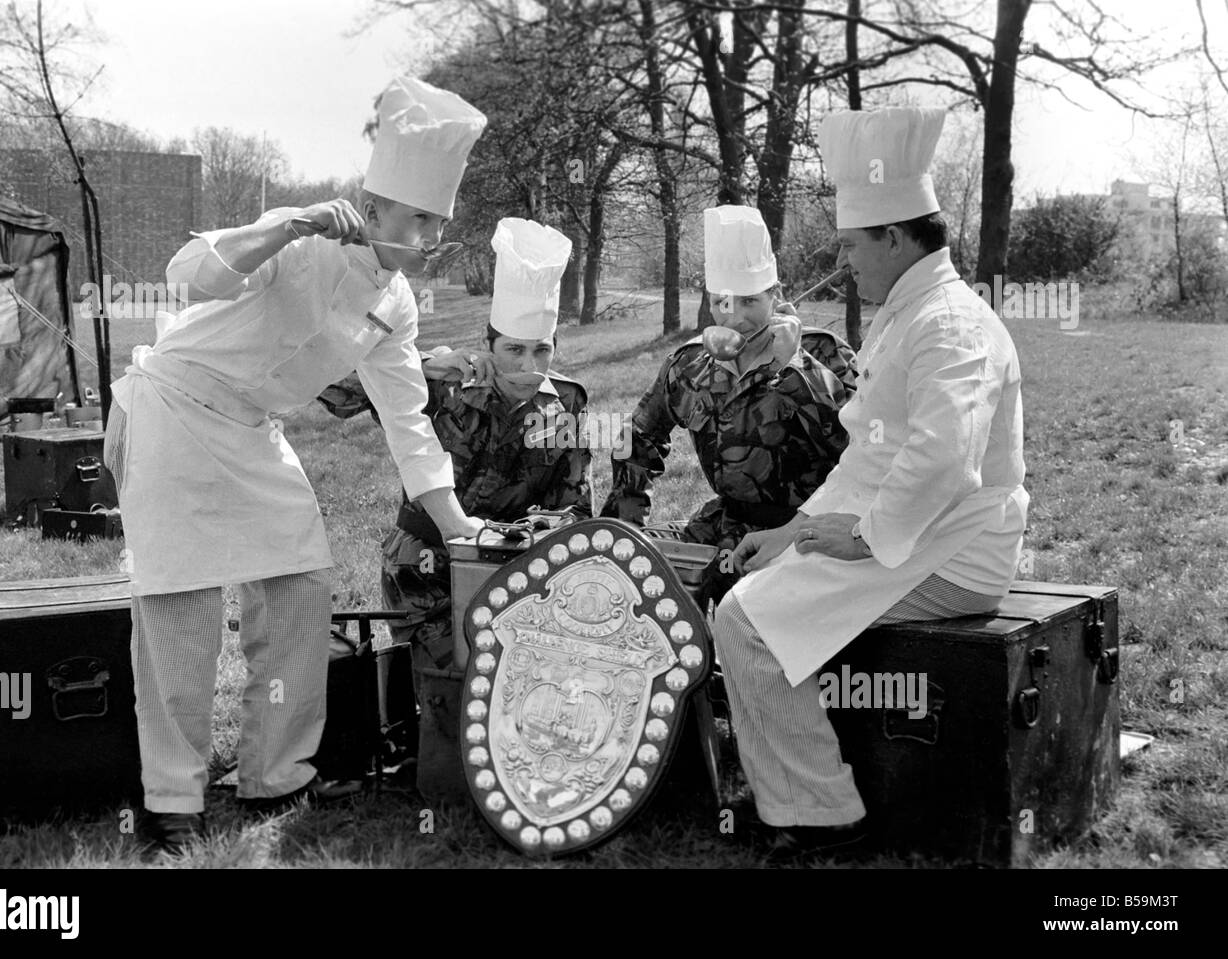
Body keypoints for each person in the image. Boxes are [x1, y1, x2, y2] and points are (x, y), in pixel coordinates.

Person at [102, 75, 487, 856]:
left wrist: (459, 528)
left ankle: (275, 771)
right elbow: (188, 273)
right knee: (181, 606)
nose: (427, 239)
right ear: (373, 207)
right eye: (417, 220)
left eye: (438, 225)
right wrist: (286, 225)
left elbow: (408, 423)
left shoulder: (400, 303)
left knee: (302, 579)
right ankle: (171, 800)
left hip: (250, 427)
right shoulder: (304, 240)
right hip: (173, 404)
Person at [713, 107, 1030, 863]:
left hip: (955, 550)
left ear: (894, 236)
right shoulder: (909, 312)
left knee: (747, 619)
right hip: (913, 535)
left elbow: (942, 460)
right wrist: (795, 532)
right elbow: (869, 461)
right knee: (753, 593)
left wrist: (858, 538)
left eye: (854, 244)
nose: (845, 258)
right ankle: (798, 789)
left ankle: (823, 812)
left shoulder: (949, 324)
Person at [318, 217, 592, 802]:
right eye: (513, 349)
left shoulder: (566, 402)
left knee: (527, 680)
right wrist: (418, 366)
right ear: (489, 344)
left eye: (541, 349)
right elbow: (330, 392)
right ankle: (433, 764)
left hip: (516, 566)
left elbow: (574, 504)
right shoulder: (446, 385)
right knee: (459, 679)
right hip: (428, 567)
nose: (527, 364)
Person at [599, 205, 857, 607]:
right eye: (722, 302)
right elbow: (638, 437)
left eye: (750, 301)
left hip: (805, 534)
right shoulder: (690, 365)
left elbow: (861, 446)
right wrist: (625, 526)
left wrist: (795, 366)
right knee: (631, 579)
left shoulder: (825, 353)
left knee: (761, 634)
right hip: (725, 524)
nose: (734, 318)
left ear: (777, 296)